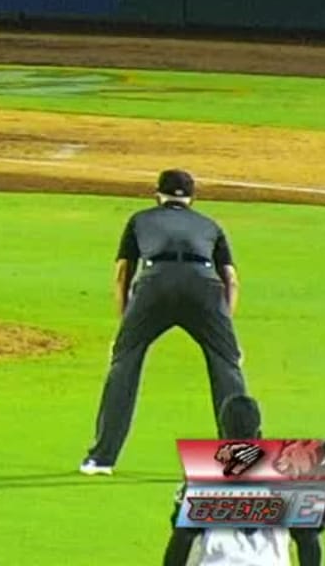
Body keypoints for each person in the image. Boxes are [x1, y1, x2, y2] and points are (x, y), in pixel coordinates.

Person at [81, 169, 245, 475]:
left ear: (157, 194)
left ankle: (101, 459)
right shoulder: (210, 224)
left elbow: (122, 275)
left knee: (124, 365)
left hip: (155, 284)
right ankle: (238, 464)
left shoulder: (140, 219)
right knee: (228, 369)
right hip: (204, 287)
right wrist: (226, 333)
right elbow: (232, 281)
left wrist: (125, 327)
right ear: (192, 199)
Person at [163, 394, 325, 565]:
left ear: (222, 437)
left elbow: (181, 542)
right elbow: (308, 542)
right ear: (259, 435)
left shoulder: (201, 478)